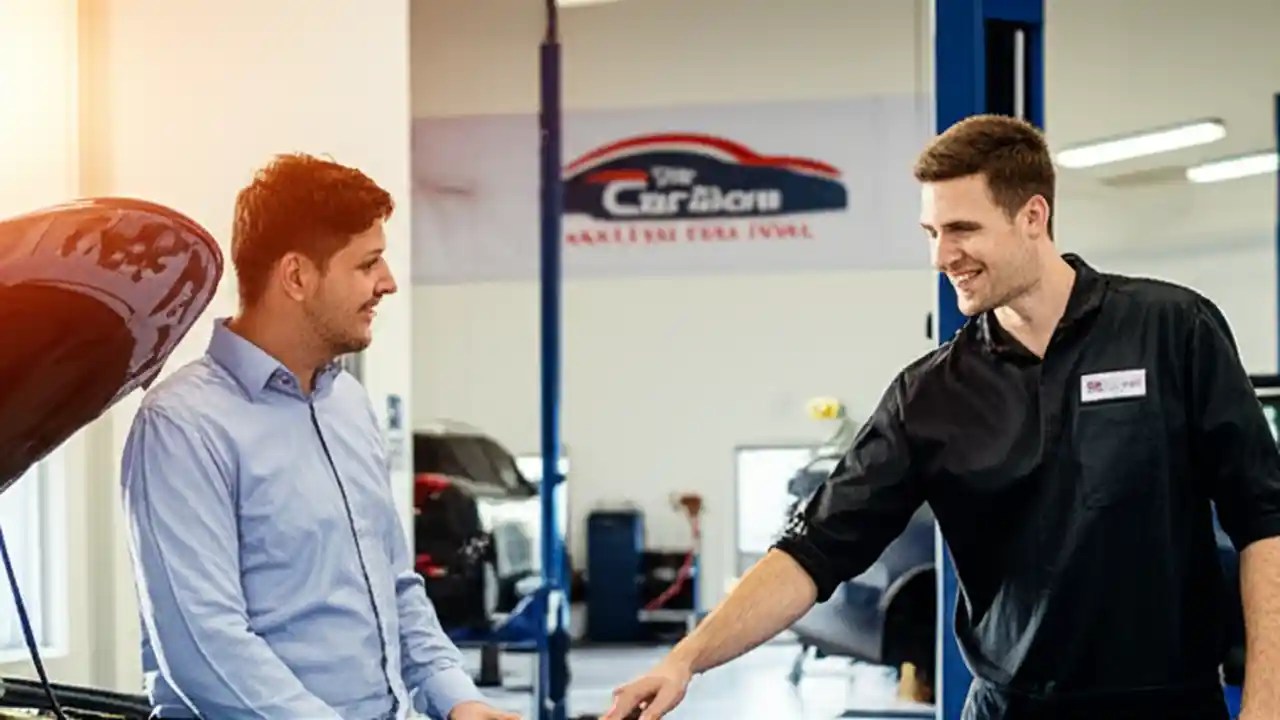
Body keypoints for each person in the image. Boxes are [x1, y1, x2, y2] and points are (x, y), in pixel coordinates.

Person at [603, 115, 1280, 720]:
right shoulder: (930, 395)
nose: (940, 255)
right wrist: (684, 658)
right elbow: (813, 550)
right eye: (932, 232)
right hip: (1009, 708)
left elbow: (1264, 519)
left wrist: (1267, 705)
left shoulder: (1171, 330)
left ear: (1033, 216)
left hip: (1167, 707)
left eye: (961, 229)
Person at [120, 153, 520, 720]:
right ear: (297, 276)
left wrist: (457, 700)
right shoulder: (184, 424)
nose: (388, 283)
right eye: (368, 264)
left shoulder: (349, 407)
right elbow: (203, 647)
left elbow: (396, 589)